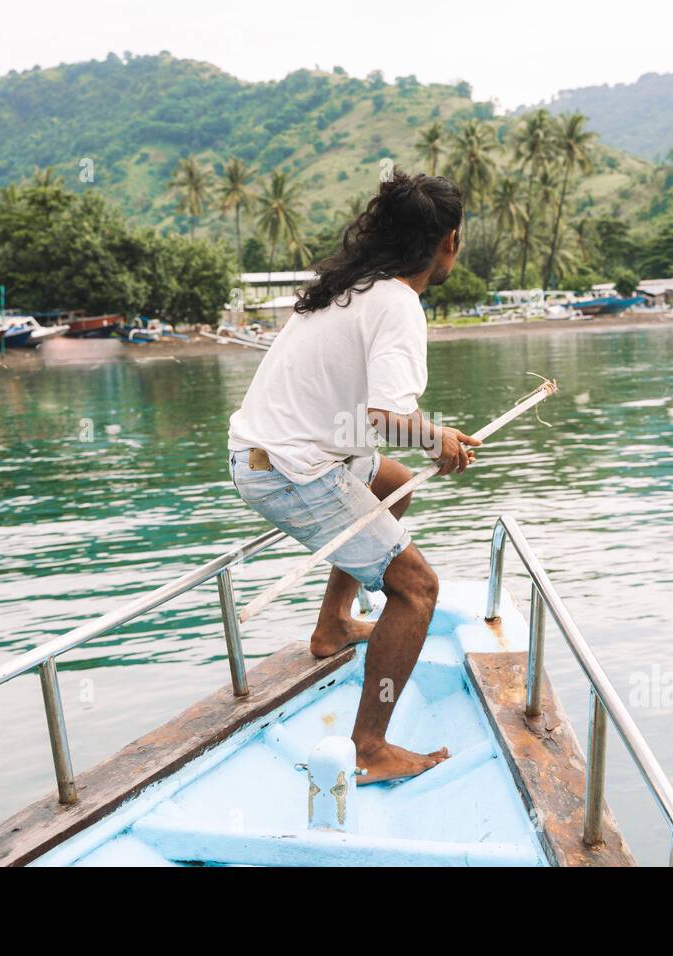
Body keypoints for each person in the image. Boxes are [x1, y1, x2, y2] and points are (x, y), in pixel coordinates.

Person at [226, 169, 479, 784]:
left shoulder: (351, 284)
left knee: (393, 483)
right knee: (416, 589)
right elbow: (388, 415)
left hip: (273, 451)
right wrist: (438, 437)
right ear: (448, 240)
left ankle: (333, 624)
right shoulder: (396, 303)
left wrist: (426, 440)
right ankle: (370, 746)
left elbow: (375, 424)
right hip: (292, 470)